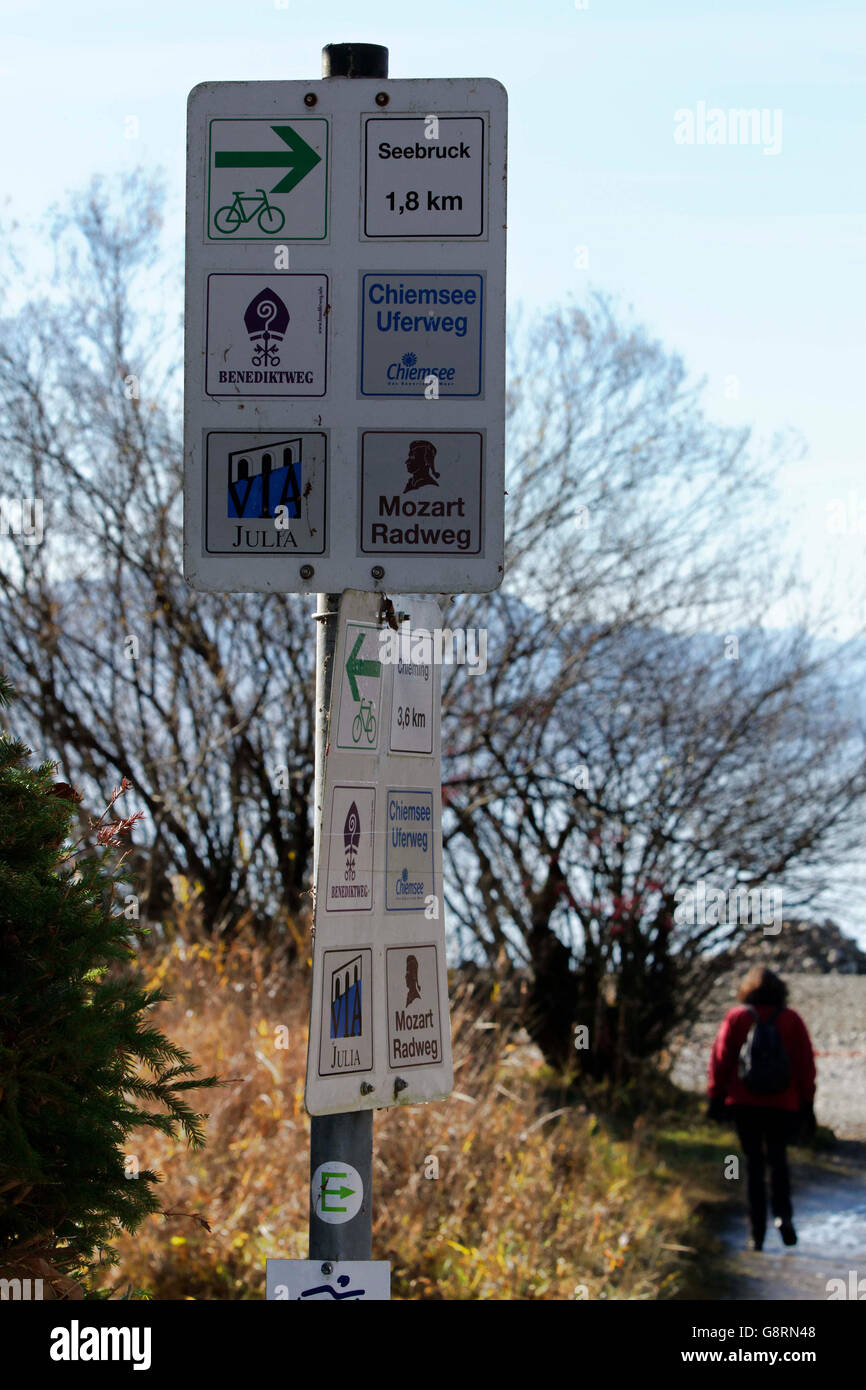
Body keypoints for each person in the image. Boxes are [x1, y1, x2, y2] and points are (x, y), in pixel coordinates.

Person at [706, 966, 816, 1251]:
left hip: (744, 1103)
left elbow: (721, 1059)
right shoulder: (791, 1020)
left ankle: (756, 1233)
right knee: (778, 1161)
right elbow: (805, 1065)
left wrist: (715, 1098)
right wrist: (807, 1104)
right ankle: (783, 1216)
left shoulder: (738, 1017)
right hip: (783, 1103)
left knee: (754, 1165)